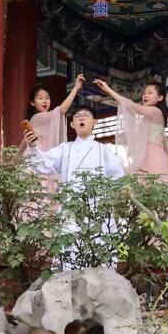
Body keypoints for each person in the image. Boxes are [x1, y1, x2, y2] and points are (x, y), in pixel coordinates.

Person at [24, 104, 125, 269]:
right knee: (69, 253)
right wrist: (33, 147)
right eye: (77, 117)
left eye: (86, 115)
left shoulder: (104, 150)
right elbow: (43, 164)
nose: (81, 118)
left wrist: (108, 200)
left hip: (97, 208)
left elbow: (118, 177)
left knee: (99, 252)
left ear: (95, 122)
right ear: (72, 124)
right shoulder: (65, 149)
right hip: (70, 208)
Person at [95, 77, 168, 180]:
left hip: (154, 156)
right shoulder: (153, 115)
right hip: (152, 155)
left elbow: (130, 105)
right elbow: (164, 142)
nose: (145, 95)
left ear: (160, 98)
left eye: (150, 93)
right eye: (144, 93)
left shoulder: (155, 111)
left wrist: (108, 89)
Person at [27, 76, 85, 193]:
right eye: (40, 98)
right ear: (33, 103)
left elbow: (24, 143)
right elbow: (62, 110)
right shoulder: (37, 117)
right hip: (40, 159)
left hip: (44, 159)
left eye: (47, 98)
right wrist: (76, 88)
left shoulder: (36, 120)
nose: (45, 101)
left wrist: (13, 161)